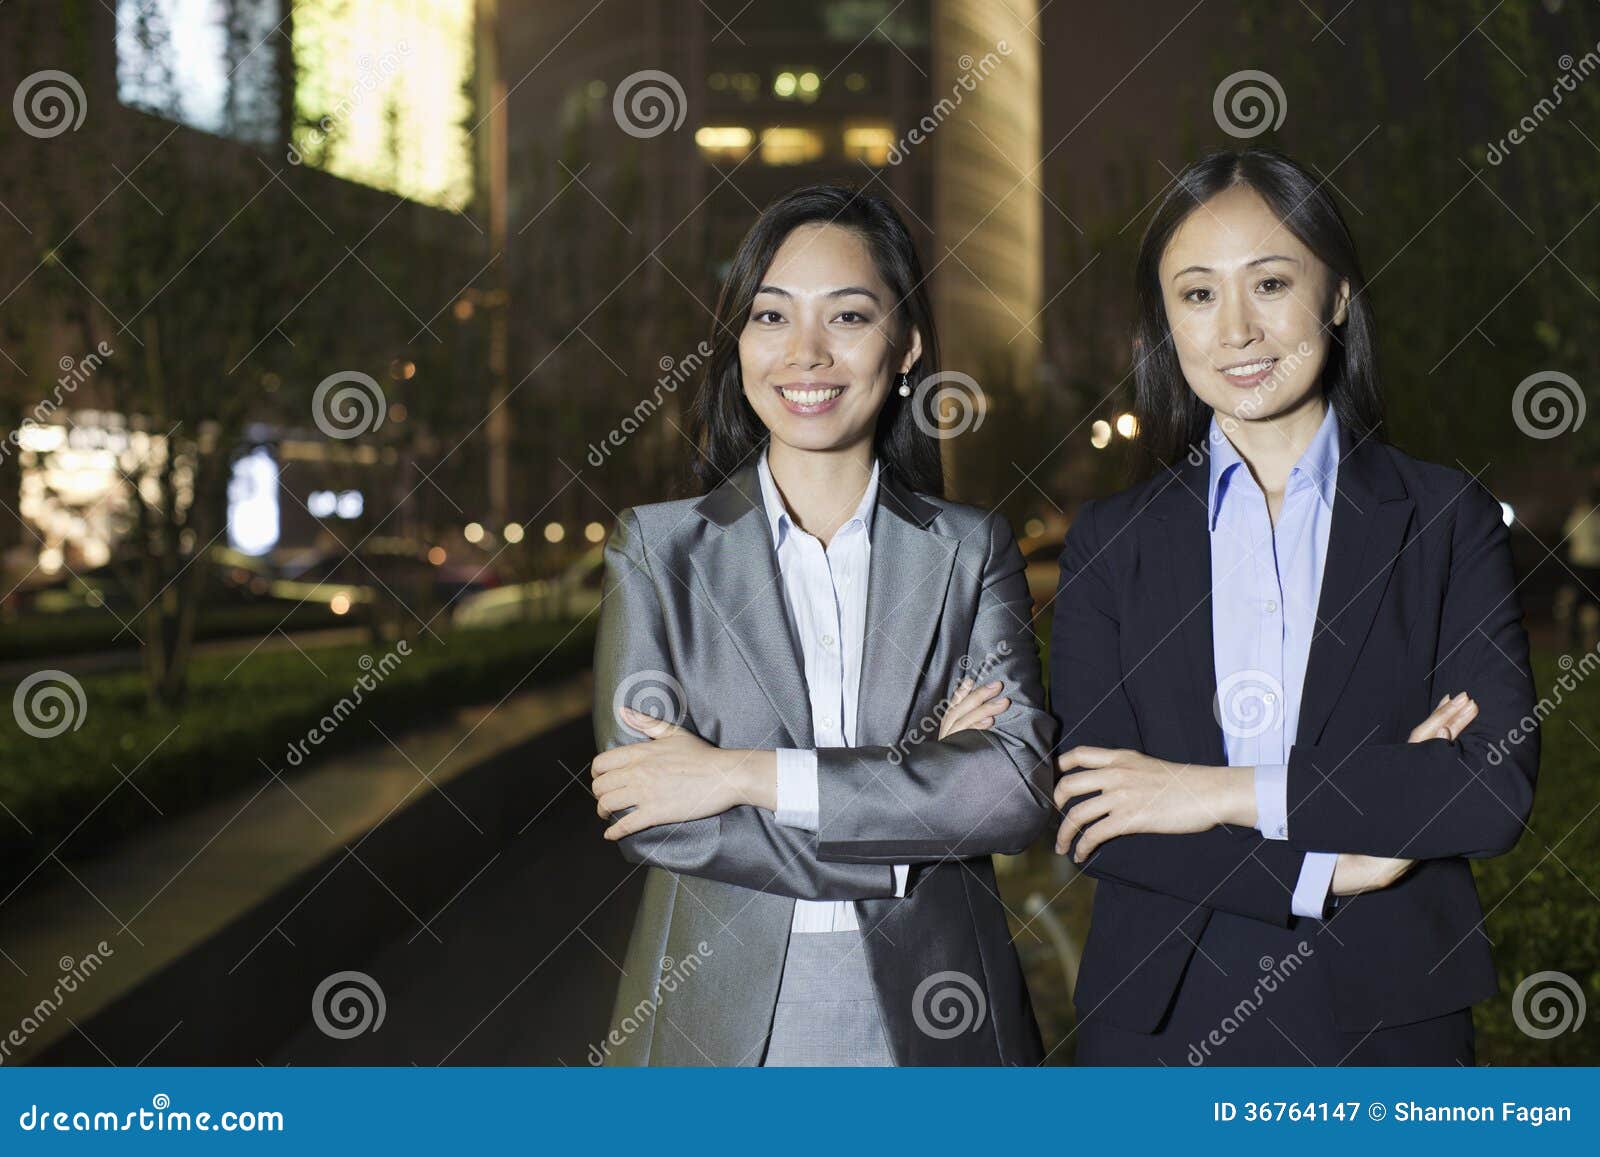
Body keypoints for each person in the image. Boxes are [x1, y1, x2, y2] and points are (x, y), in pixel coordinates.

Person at [1050, 147, 1538, 1065]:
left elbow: (1487, 787)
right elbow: (1093, 812)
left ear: (1341, 296)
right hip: (1158, 1022)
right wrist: (1331, 863)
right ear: (1165, 322)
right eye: (1197, 295)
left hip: (1390, 1020)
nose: (1236, 329)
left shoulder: (1443, 518)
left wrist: (1203, 793)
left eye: (1270, 282)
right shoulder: (1111, 542)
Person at [591, 184, 1056, 1066]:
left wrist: (737, 774)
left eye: (847, 315)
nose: (806, 353)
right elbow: (651, 812)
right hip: (712, 1028)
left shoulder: (970, 549)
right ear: (738, 344)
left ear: (908, 343)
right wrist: (916, 821)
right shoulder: (657, 552)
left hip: (939, 1018)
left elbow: (1009, 791)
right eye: (772, 315)